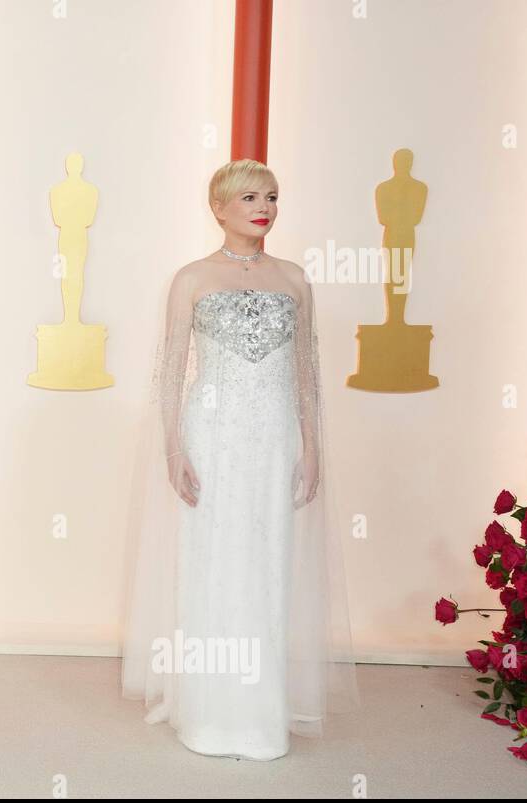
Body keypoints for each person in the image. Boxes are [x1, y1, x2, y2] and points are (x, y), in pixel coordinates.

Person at [120, 159, 359, 759]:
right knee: (213, 561)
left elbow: (307, 376)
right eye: (250, 196)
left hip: (274, 438)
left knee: (268, 563)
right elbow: (170, 373)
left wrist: (313, 447)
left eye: (273, 196)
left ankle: (260, 716)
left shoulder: (296, 279)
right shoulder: (191, 279)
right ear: (219, 207)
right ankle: (209, 714)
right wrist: (174, 448)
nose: (265, 207)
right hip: (213, 433)